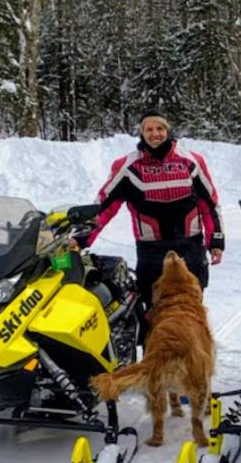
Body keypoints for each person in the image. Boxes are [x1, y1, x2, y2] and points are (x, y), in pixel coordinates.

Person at [85, 111, 224, 339]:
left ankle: (196, 364)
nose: (155, 134)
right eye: (148, 129)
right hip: (151, 251)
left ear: (168, 131)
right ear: (141, 133)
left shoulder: (192, 161)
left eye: (159, 128)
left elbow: (210, 203)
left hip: (190, 248)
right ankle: (154, 365)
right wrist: (82, 238)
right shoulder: (127, 166)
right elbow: (104, 206)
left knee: (190, 313)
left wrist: (216, 241)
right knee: (153, 316)